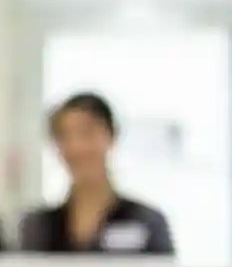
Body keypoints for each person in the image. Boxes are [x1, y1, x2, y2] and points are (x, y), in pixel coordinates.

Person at [20, 93, 174, 256]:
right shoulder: (38, 226)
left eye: (86, 133)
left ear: (111, 136)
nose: (76, 147)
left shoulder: (145, 221)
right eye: (64, 136)